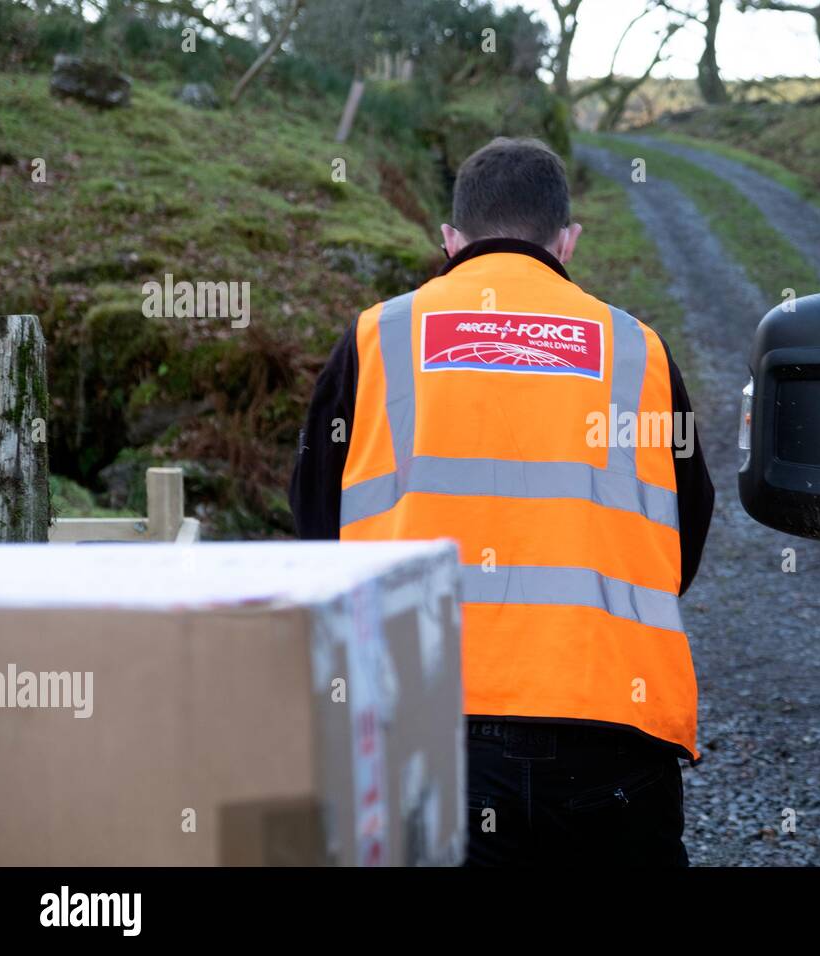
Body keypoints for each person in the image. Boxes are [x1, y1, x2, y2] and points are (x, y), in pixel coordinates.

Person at [290, 136, 714, 866]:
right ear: (568, 241)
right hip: (611, 730)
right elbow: (686, 532)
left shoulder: (374, 341)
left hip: (419, 730)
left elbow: (314, 527)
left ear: (451, 240)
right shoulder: (640, 352)